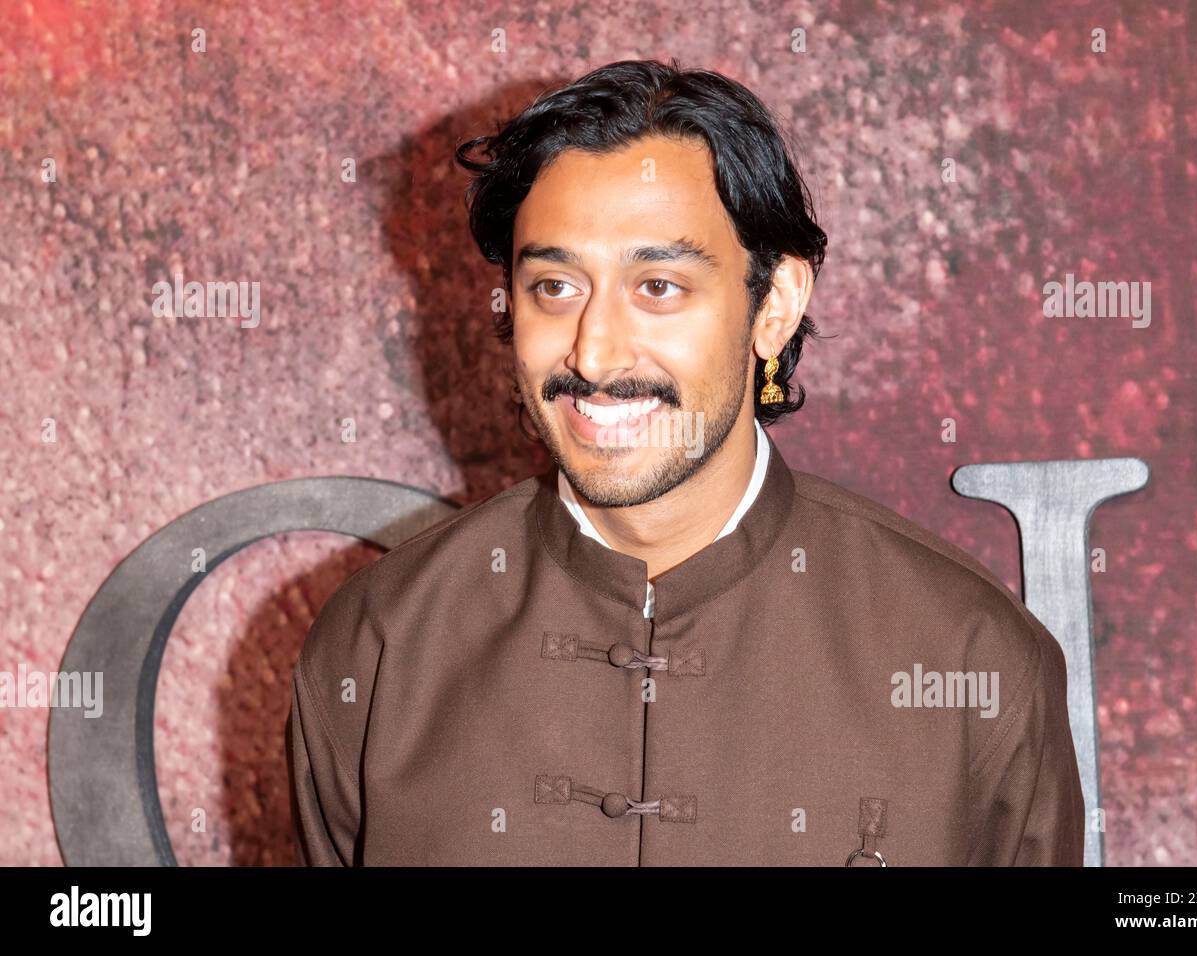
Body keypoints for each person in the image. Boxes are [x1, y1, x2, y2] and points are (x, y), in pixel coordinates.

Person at [286, 58, 1085, 866]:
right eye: (556, 287)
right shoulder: (378, 650)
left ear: (773, 306)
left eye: (659, 286)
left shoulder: (968, 659)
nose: (594, 354)